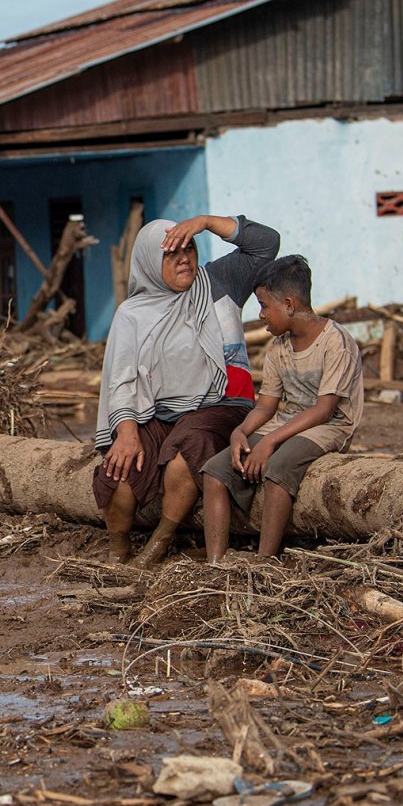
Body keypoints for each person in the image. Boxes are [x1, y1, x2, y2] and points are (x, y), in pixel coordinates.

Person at [94, 213, 280, 567]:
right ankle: (117, 552)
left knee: (189, 445)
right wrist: (127, 432)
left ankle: (157, 545)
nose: (184, 258)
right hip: (158, 413)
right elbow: (121, 379)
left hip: (224, 404)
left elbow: (266, 244)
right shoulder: (131, 314)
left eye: (189, 247)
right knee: (118, 469)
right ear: (151, 262)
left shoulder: (217, 283)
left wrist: (207, 223)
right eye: (171, 253)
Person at [199, 255, 364, 560]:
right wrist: (241, 432)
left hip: (329, 427)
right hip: (288, 422)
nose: (261, 315)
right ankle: (215, 564)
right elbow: (265, 407)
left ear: (288, 304)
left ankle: (264, 561)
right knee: (215, 471)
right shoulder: (278, 347)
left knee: (277, 469)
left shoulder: (336, 342)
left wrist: (271, 442)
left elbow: (325, 409)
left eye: (264, 305)